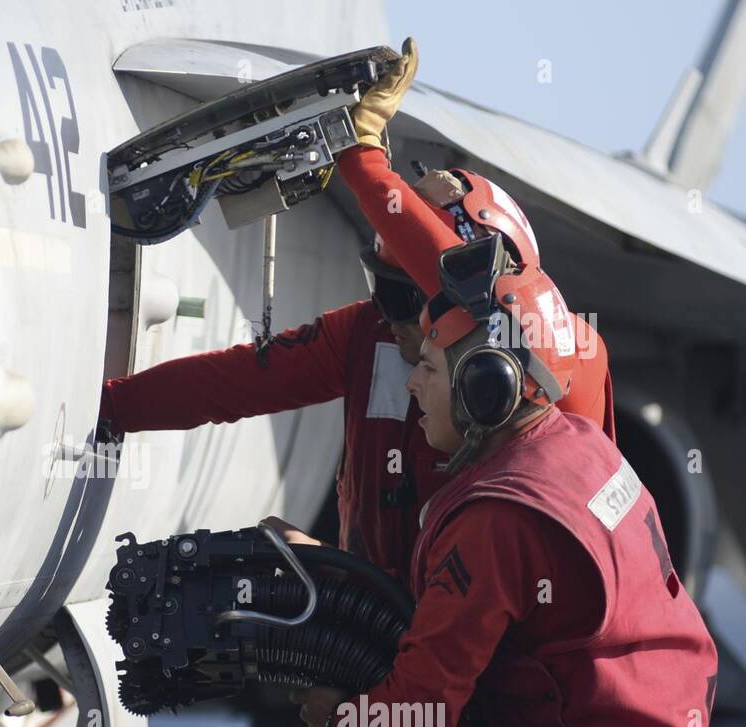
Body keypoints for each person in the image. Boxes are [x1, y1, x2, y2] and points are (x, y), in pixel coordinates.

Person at [279, 236, 716, 727]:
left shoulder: (496, 516)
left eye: (426, 365)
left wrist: (335, 714)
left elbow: (419, 720)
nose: (413, 384)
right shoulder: (576, 448)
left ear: (485, 387)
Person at [99, 39, 614, 590]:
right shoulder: (369, 335)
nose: (399, 322)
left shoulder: (567, 354)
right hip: (388, 616)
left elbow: (473, 291)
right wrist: (108, 408)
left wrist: (362, 156)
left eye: (417, 297)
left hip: (498, 631)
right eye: (384, 292)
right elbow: (231, 383)